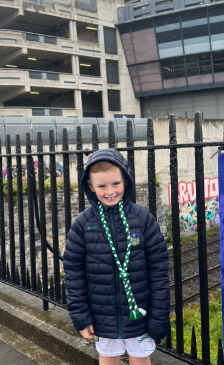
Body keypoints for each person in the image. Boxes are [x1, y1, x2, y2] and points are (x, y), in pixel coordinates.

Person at [64, 149, 170, 365]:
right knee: (107, 357)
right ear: (91, 187)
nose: (110, 191)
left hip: (140, 312)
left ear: (126, 182)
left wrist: (158, 317)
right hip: (102, 315)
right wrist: (81, 317)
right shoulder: (83, 224)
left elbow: (159, 270)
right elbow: (74, 274)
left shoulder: (143, 219)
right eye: (102, 186)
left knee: (141, 358)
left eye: (116, 184)